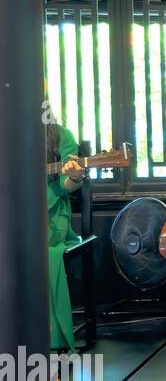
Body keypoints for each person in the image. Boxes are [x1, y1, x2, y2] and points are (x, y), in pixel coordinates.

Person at [46, 118, 84, 352]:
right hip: (12, 214)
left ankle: (49, 338)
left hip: (49, 216)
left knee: (39, 251)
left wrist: (75, 176)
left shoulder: (59, 135)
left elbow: (64, 185)